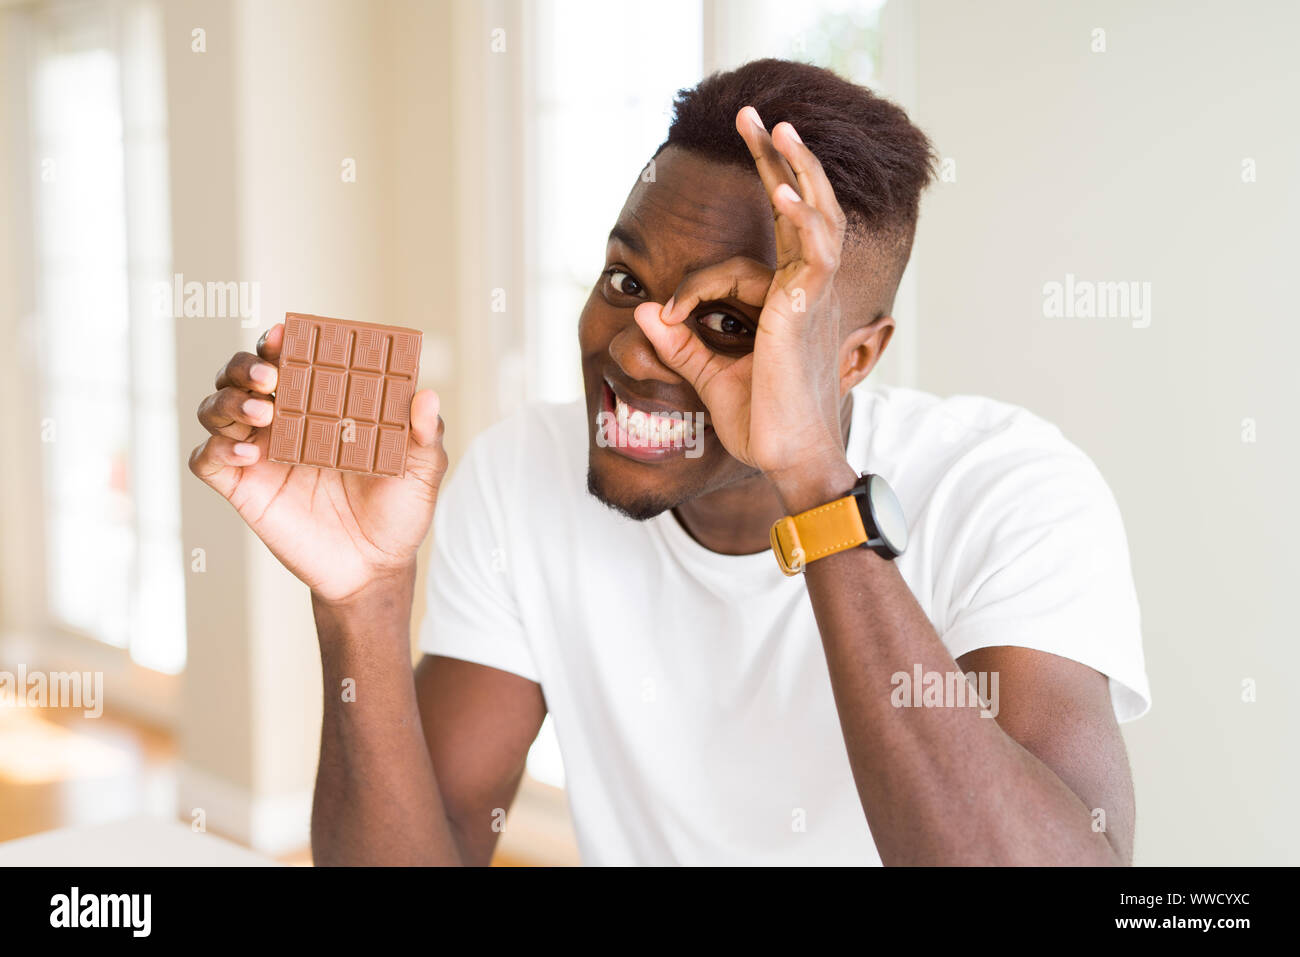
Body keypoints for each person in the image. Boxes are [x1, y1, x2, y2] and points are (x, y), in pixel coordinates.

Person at [190, 59, 1150, 866]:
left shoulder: (1011, 490)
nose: (636, 349)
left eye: (729, 321)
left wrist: (813, 477)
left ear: (852, 357)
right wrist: (360, 601)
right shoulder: (521, 473)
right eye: (625, 280)